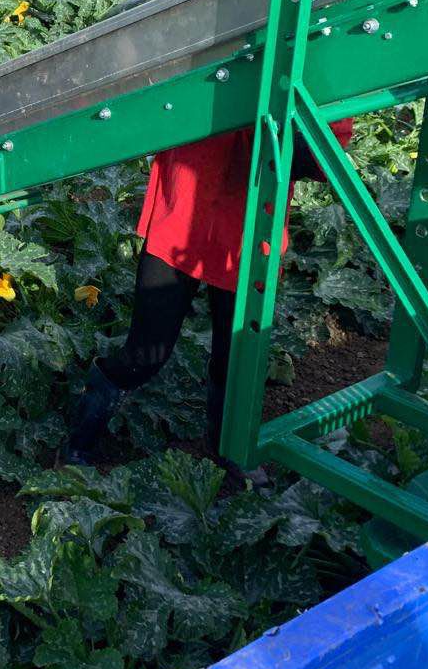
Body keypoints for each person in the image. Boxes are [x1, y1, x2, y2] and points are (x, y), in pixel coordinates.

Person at [65, 119, 357, 469]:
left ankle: (227, 449)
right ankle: (79, 440)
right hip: (183, 210)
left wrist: (285, 138)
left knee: (236, 359)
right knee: (146, 354)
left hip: (249, 230)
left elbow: (326, 148)